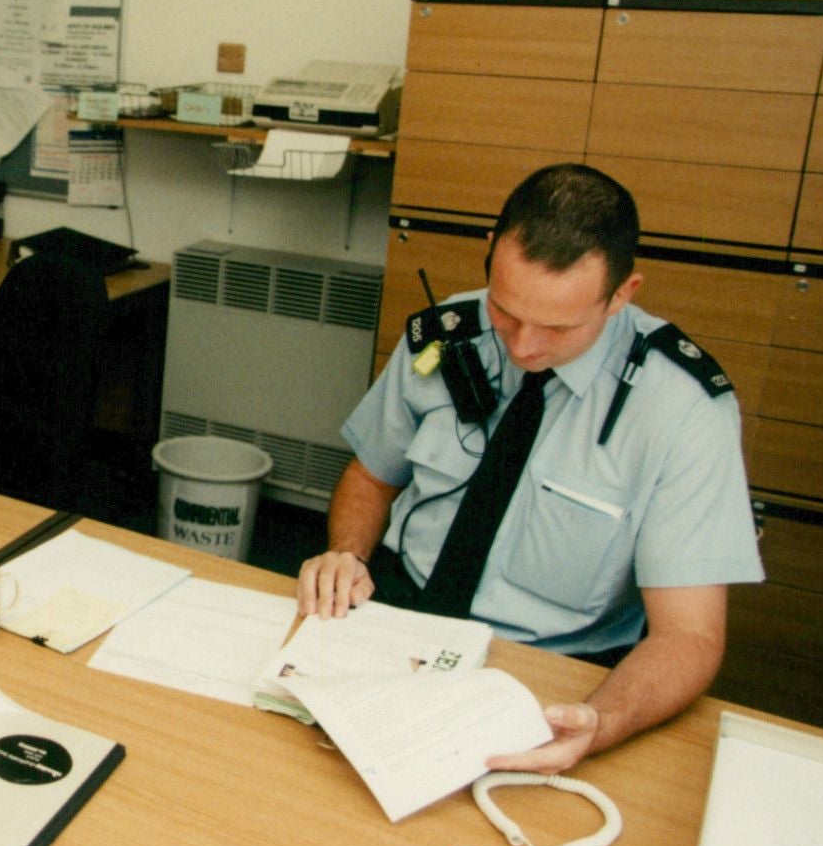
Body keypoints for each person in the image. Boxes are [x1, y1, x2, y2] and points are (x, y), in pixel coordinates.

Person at [294, 163, 761, 773]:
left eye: (558, 327)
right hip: (398, 620)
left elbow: (690, 636)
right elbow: (372, 476)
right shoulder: (447, 334)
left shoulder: (685, 411)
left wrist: (599, 722)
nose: (522, 346)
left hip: (549, 667)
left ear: (623, 293)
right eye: (506, 312)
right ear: (491, 253)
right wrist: (346, 554)